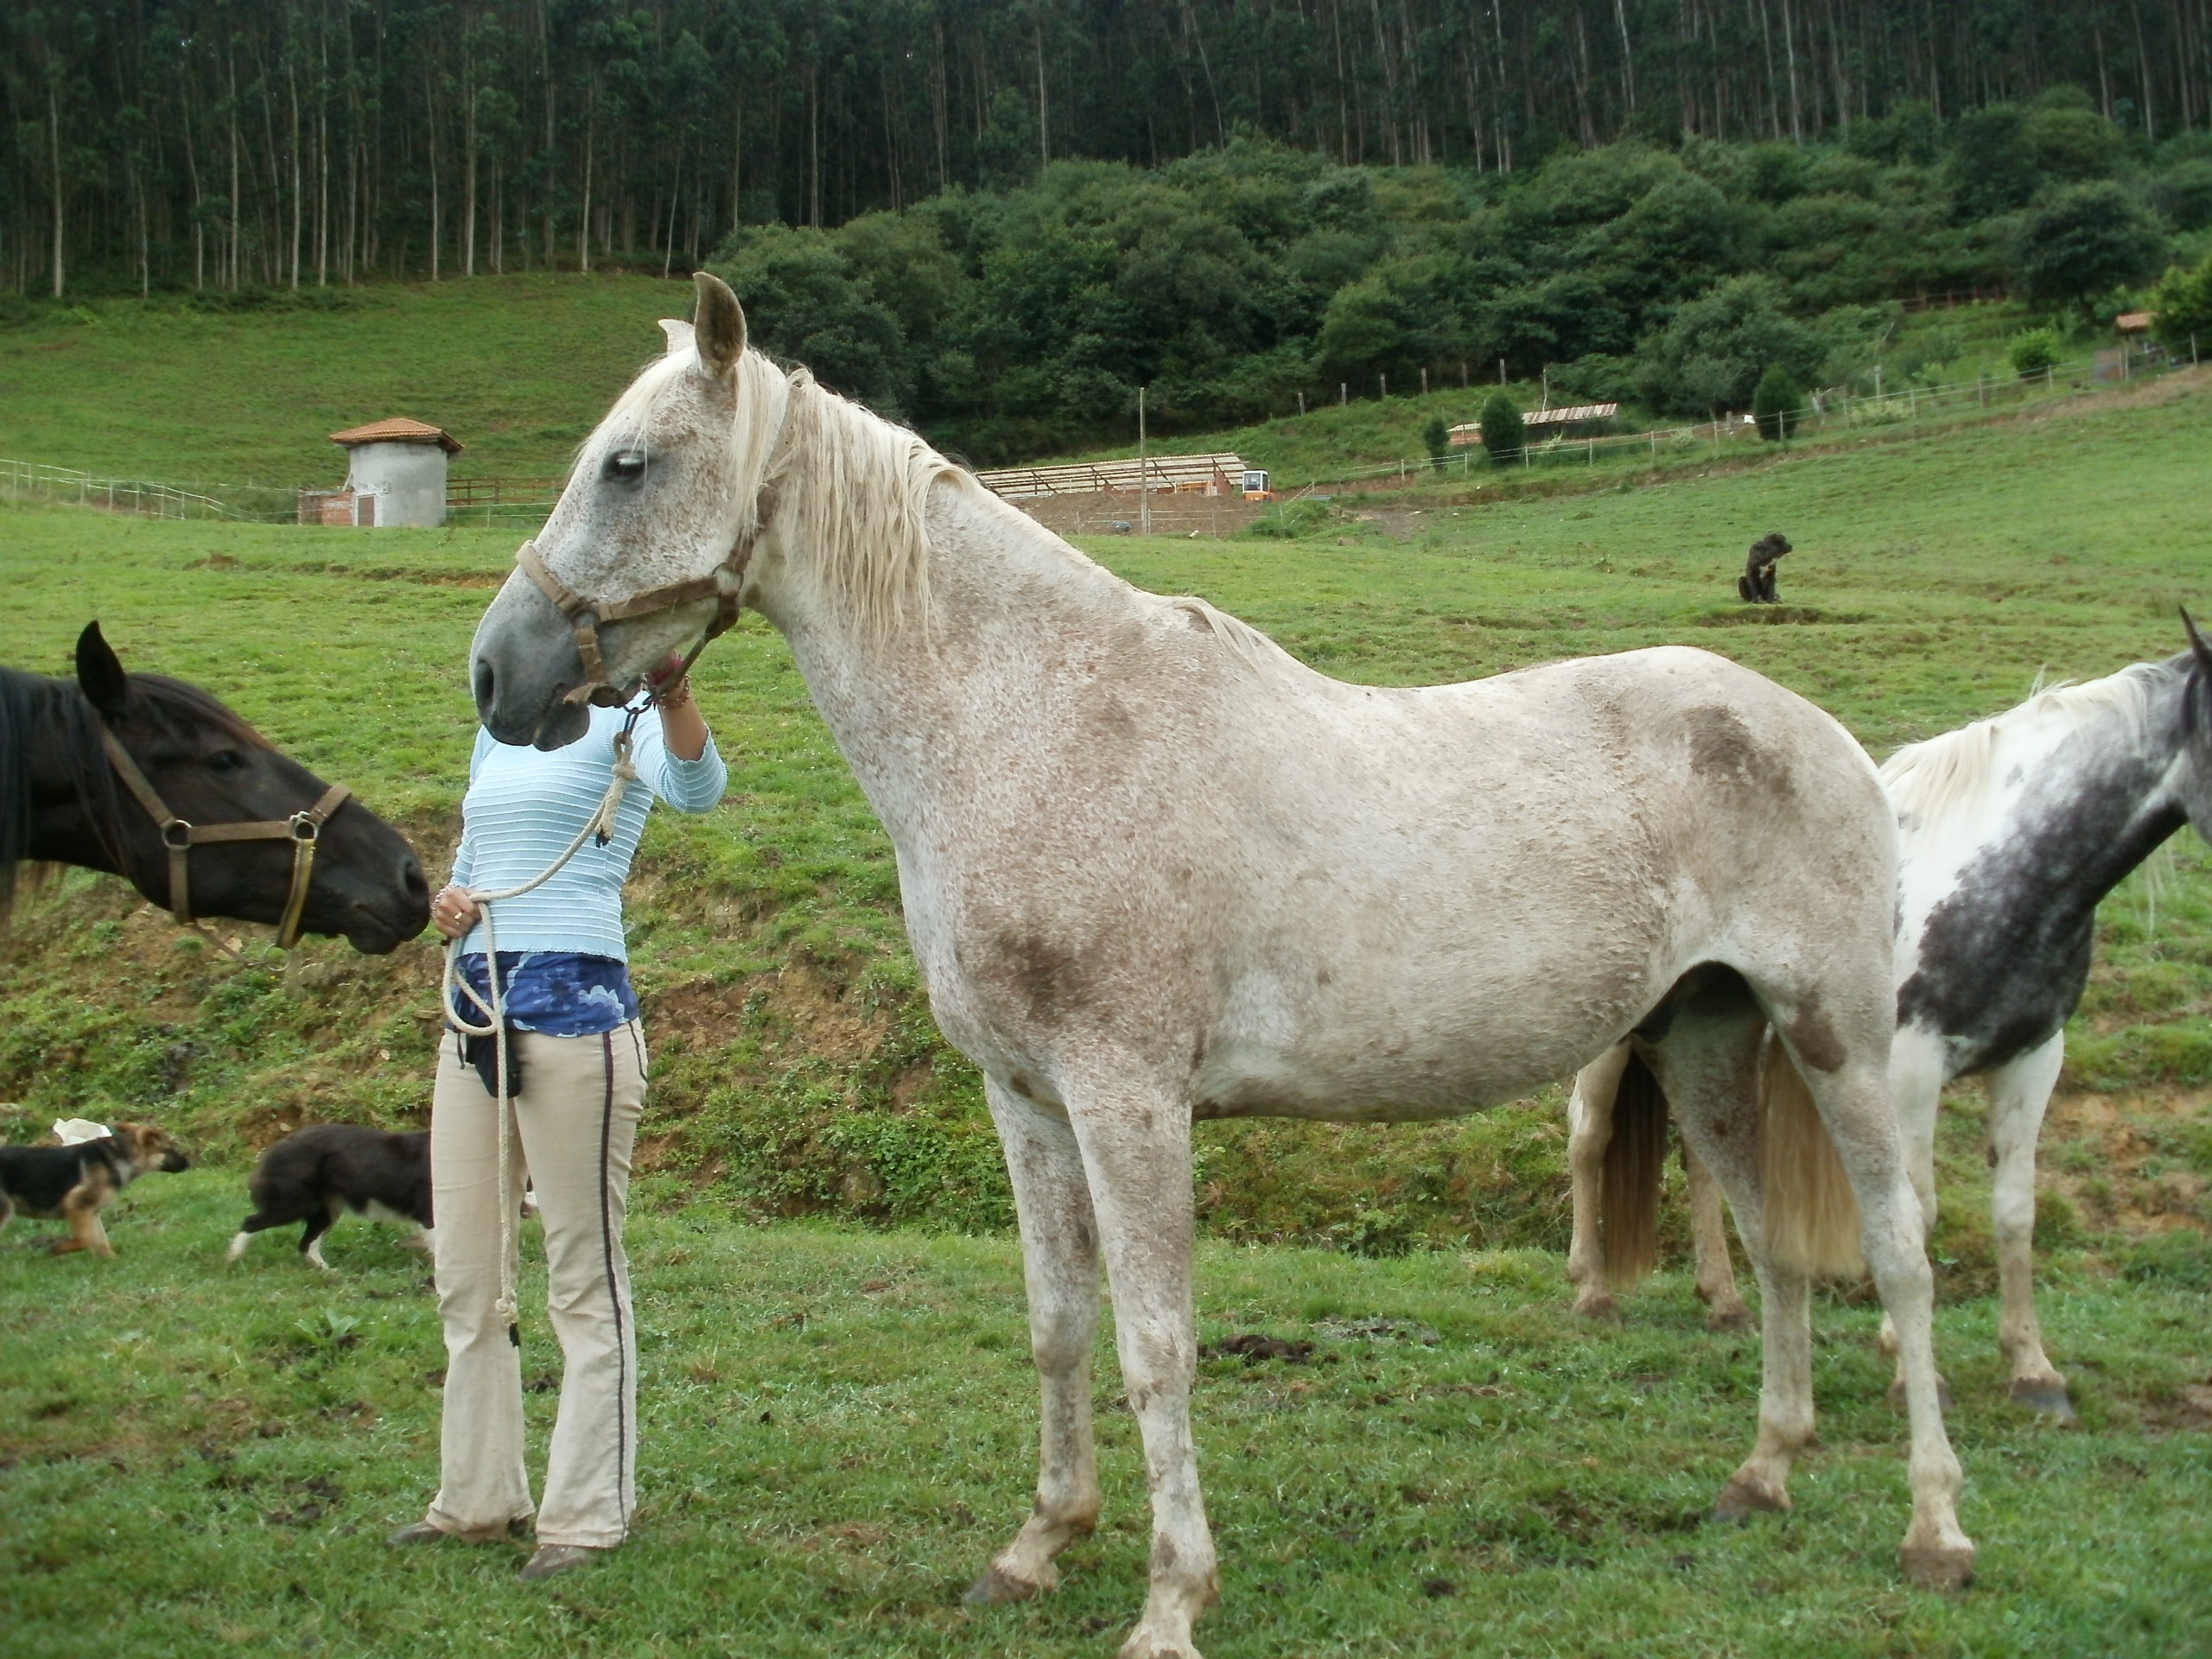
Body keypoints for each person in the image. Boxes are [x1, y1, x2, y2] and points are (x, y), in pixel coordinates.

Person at [388, 661, 725, 1580]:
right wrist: (449, 904)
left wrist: (674, 692)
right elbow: (473, 862)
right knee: (466, 1274)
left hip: (579, 1012)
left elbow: (699, 789)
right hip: (474, 1011)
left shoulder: (630, 719)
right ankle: (475, 1500)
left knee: (583, 1276)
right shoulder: (501, 727)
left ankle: (585, 1516)